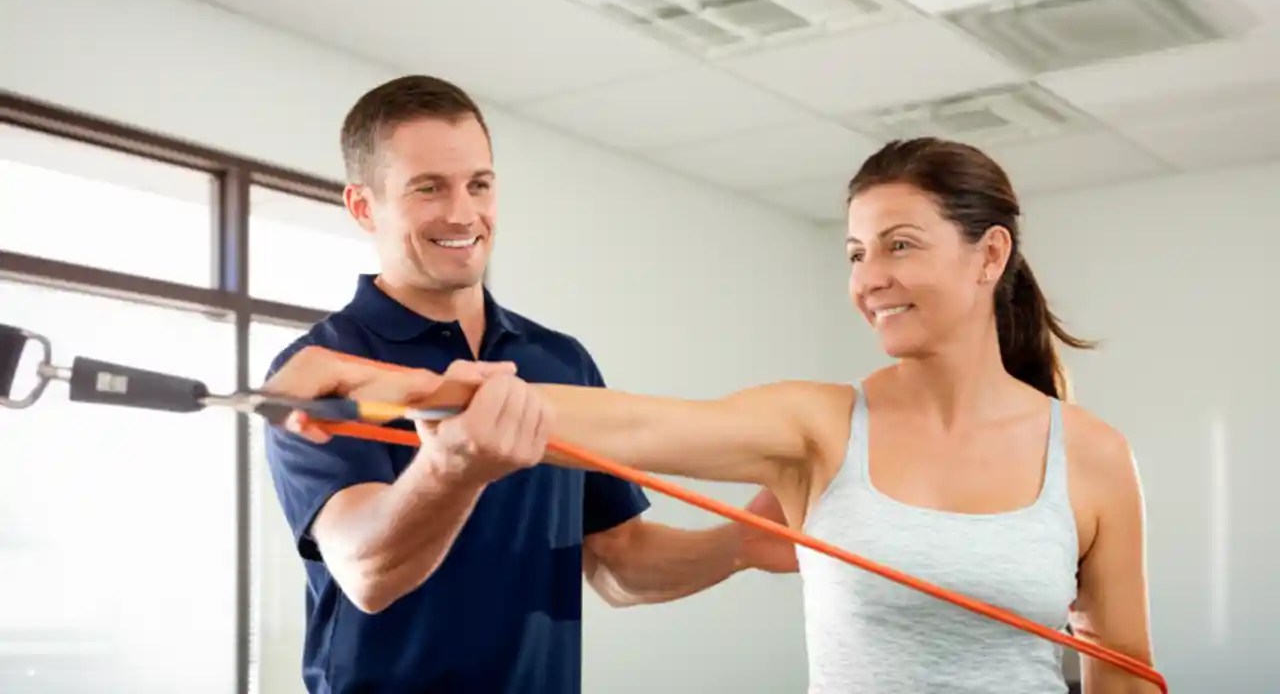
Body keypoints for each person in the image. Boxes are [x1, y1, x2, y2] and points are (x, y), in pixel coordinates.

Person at [266, 137, 1158, 693]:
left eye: (900, 245)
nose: (870, 278)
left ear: (988, 255)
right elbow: (636, 426)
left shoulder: (1092, 458)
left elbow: (1123, 676)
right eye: (854, 253)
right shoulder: (816, 427)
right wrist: (378, 379)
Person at [260, 74, 797, 694]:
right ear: (363, 206)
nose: (463, 214)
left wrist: (744, 544)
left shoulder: (558, 362)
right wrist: (454, 467)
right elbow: (366, 572)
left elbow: (618, 563)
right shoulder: (317, 367)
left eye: (479, 185)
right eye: (428, 188)